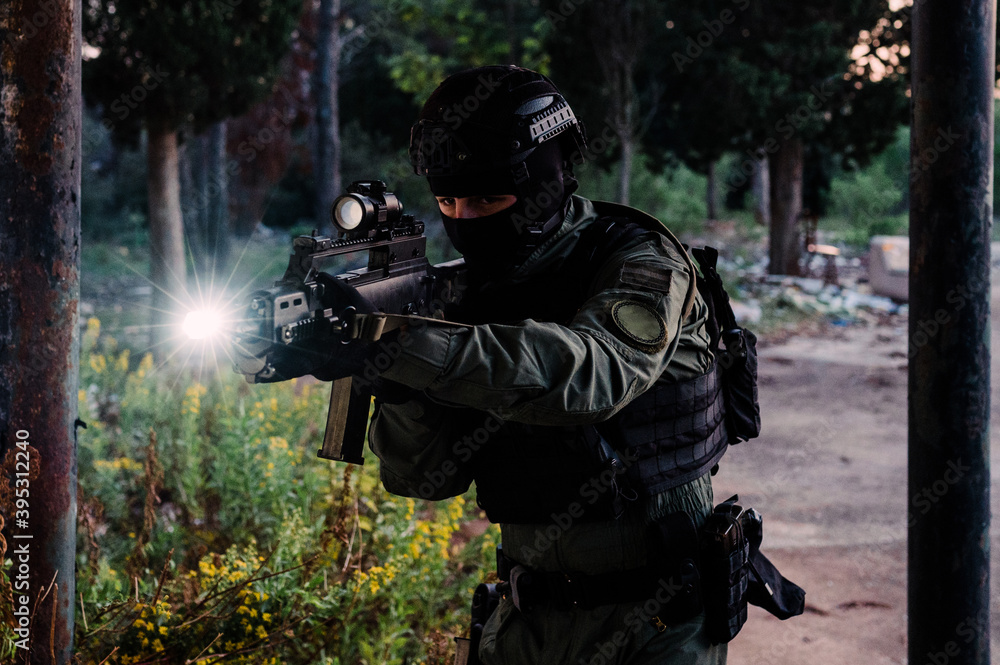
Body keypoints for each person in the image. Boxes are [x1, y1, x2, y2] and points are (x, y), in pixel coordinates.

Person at [366, 65, 729, 665]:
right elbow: (421, 479)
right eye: (448, 200)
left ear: (550, 180)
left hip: (657, 619)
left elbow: (592, 376)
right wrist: (395, 382)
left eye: (488, 198)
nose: (466, 220)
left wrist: (409, 347)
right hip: (527, 621)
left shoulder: (639, 258)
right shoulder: (462, 293)